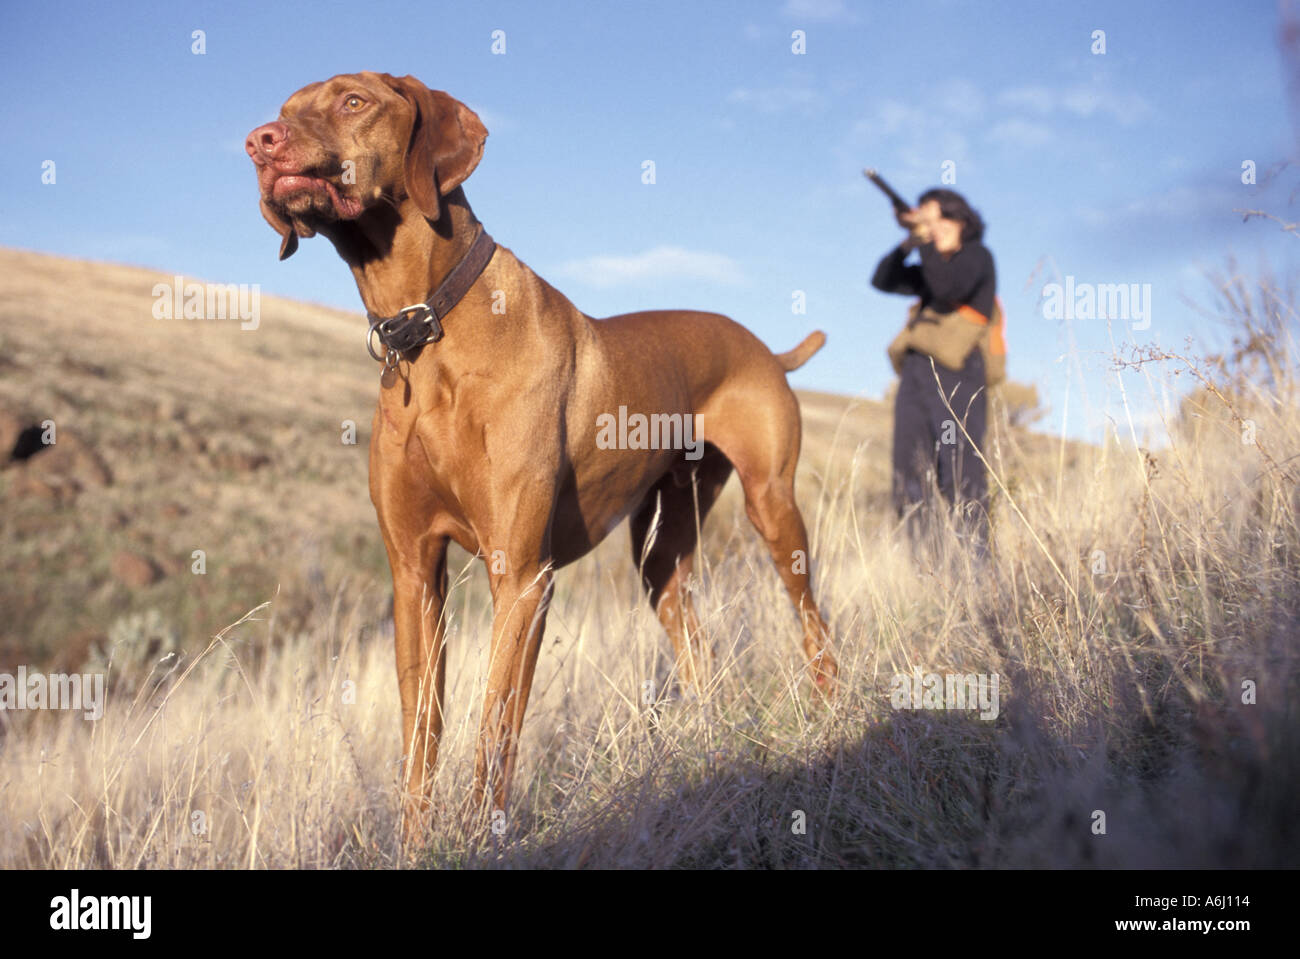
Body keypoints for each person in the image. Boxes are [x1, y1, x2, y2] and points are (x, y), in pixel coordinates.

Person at [871, 188, 995, 554]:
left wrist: (923, 240)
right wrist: (910, 242)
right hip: (916, 373)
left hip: (957, 373)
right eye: (925, 221)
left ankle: (975, 568)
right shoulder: (930, 263)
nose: (931, 229)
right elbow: (883, 279)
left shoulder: (977, 257)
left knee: (960, 471)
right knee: (909, 471)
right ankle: (926, 570)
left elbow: (948, 286)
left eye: (936, 219)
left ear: (959, 220)